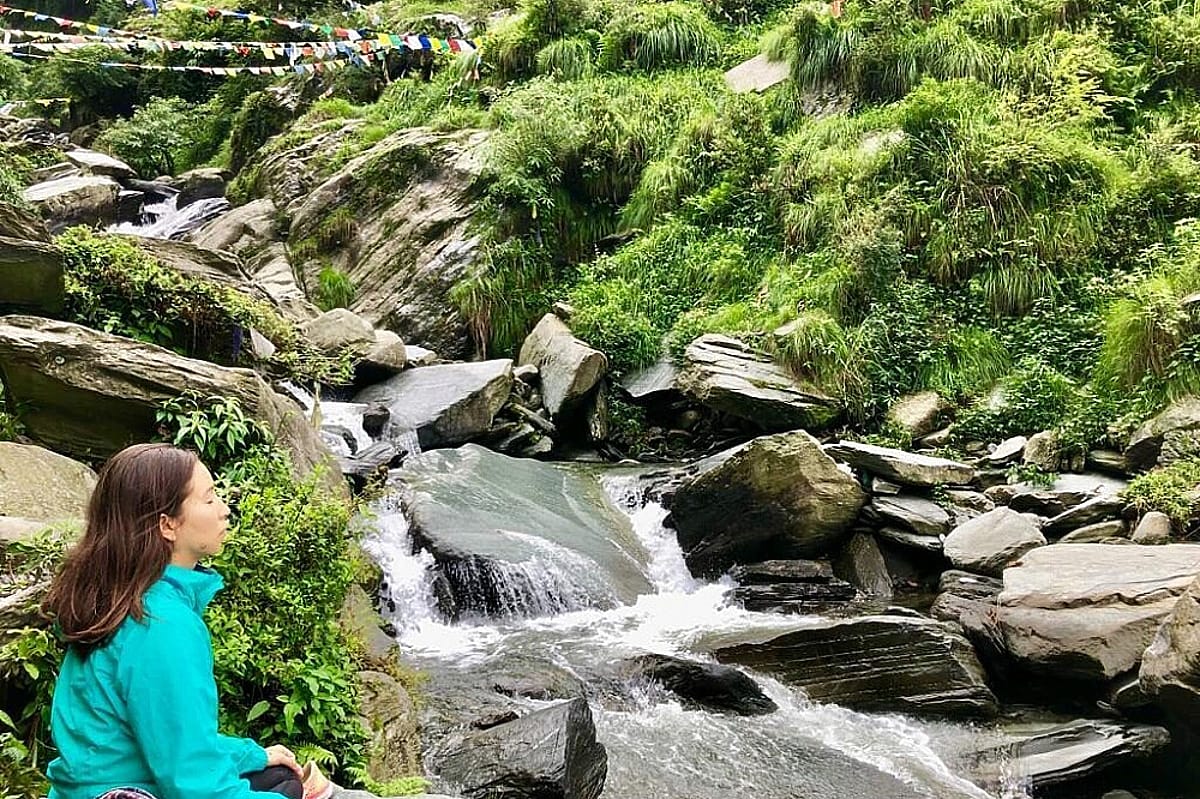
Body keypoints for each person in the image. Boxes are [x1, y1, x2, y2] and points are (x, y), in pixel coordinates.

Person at [41, 442, 328, 799]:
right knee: (286, 787)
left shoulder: (116, 598)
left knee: (275, 776)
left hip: (95, 788)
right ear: (167, 524)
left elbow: (157, 737)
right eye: (209, 500)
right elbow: (196, 788)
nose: (224, 509)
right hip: (128, 792)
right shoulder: (162, 626)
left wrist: (248, 755)